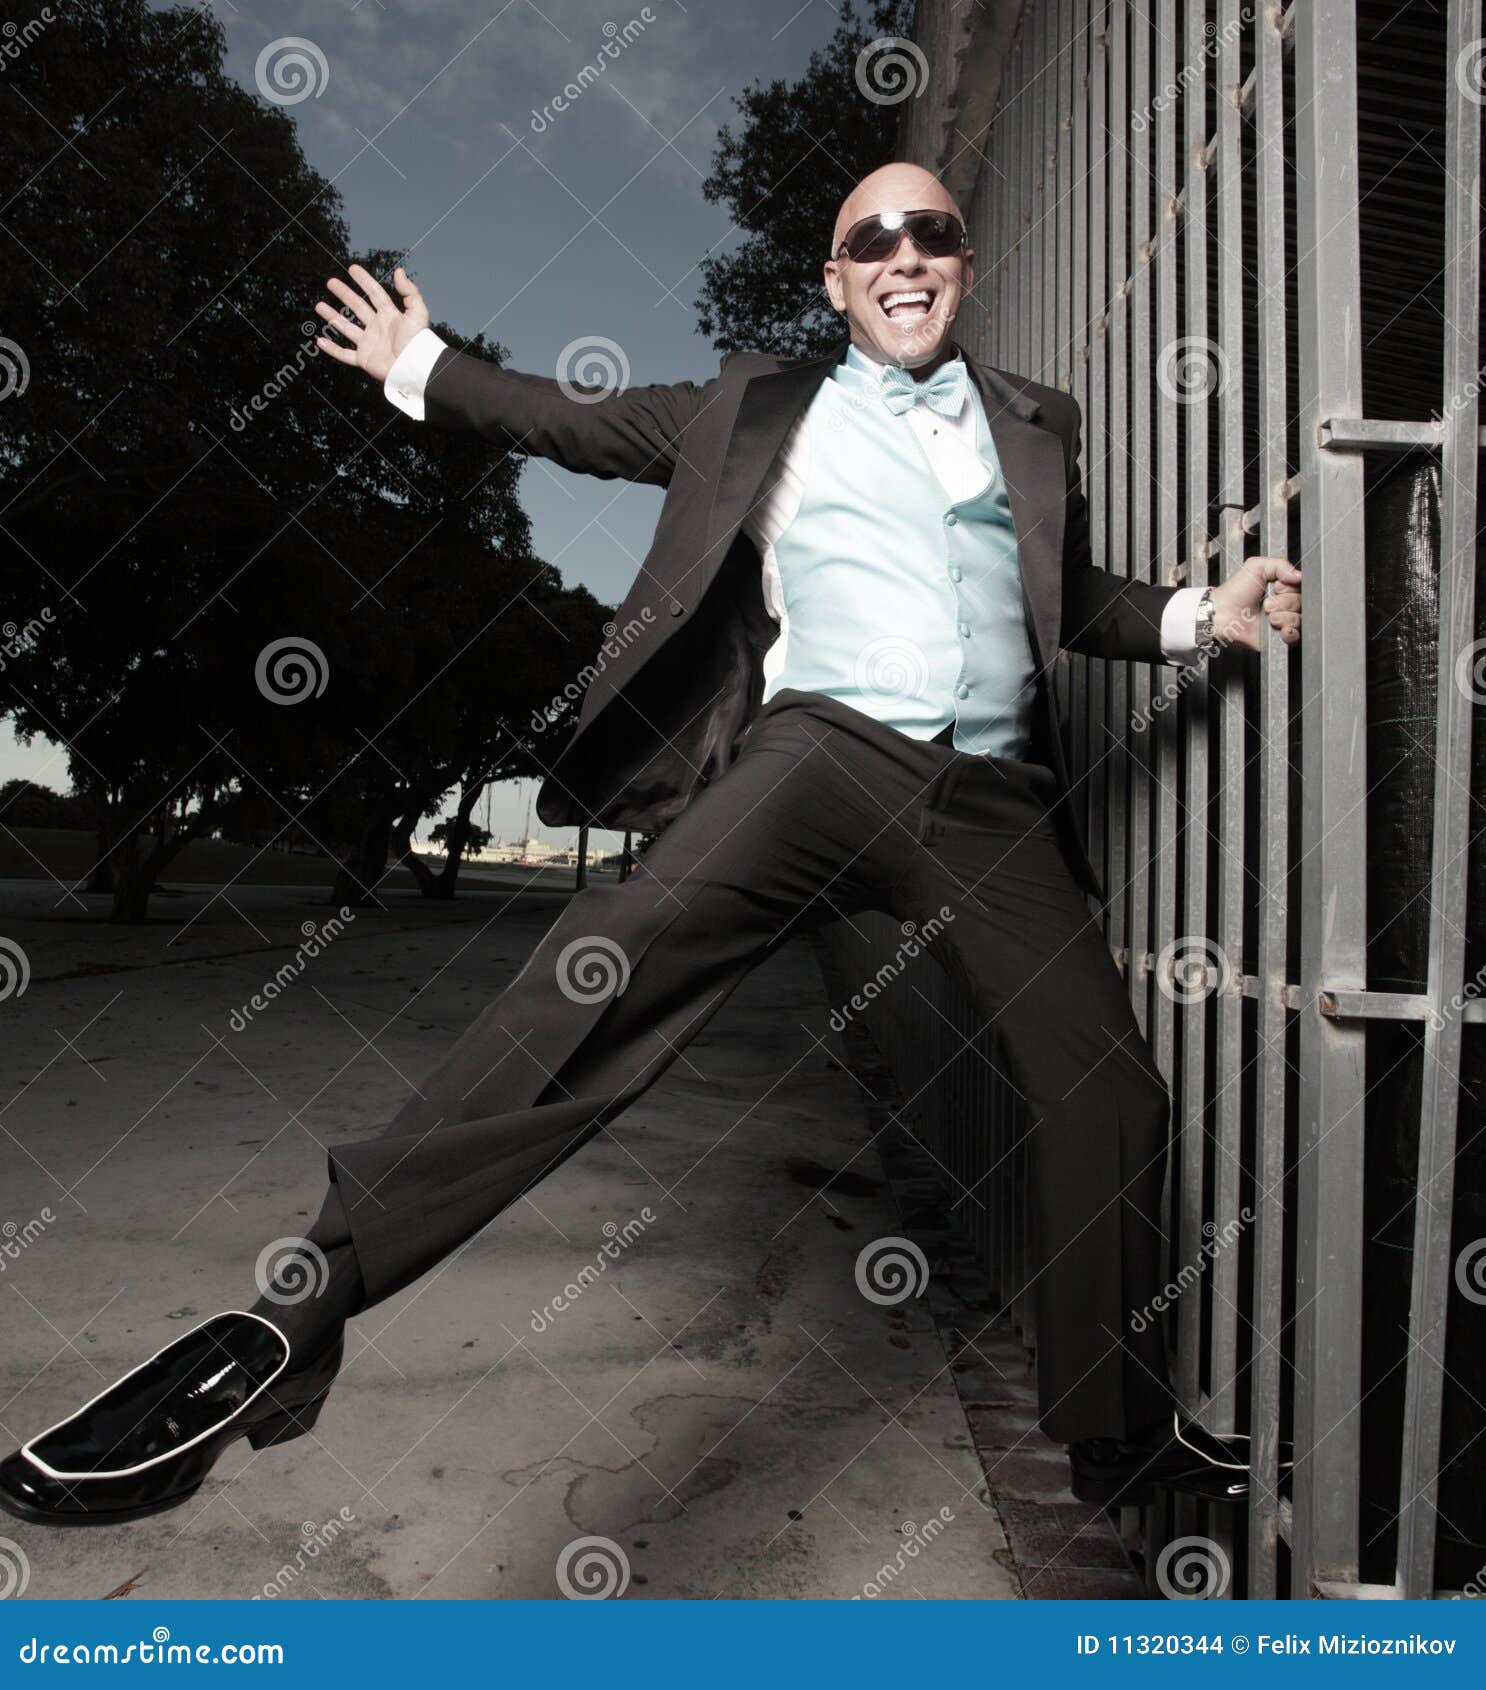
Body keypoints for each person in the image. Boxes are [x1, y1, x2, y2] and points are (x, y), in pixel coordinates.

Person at [0, 162, 1302, 1528]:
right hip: (816, 758)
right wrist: (422, 364)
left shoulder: (1035, 421)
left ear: (963, 264)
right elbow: (578, 421)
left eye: (929, 234)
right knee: (595, 973)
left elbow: (1060, 590)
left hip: (989, 800)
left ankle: (1116, 1435)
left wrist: (1194, 614)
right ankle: (300, 1304)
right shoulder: (757, 405)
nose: (902, 256)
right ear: (836, 278)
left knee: (1108, 1092)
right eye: (870, 238)